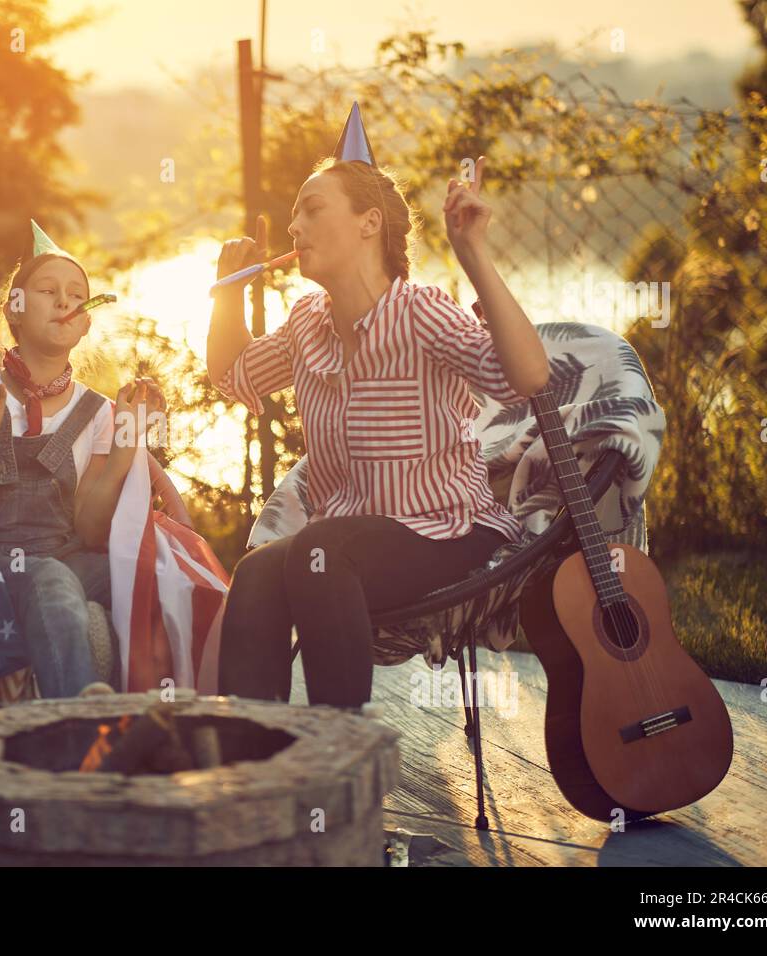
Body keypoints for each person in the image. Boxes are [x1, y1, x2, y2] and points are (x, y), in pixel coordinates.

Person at [207, 103, 551, 709]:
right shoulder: (307, 323)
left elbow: (526, 378)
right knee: (260, 571)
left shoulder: (420, 311)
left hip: (446, 531)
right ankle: (251, 760)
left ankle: (340, 759)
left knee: (320, 548)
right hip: (347, 544)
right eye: (294, 215)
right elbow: (234, 376)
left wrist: (472, 253)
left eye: (313, 210)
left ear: (369, 223)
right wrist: (227, 295)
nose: (294, 228)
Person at [0, 220, 163, 698]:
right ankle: (77, 734)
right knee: (54, 583)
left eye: (76, 295)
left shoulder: (99, 411)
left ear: (85, 324)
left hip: (64, 553)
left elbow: (89, 531)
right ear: (14, 311)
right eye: (47, 290)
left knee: (160, 573)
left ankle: (162, 724)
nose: (64, 301)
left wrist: (125, 451)